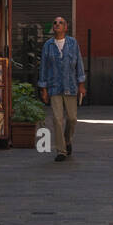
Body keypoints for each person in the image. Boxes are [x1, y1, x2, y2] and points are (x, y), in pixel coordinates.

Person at [38, 16, 86, 162]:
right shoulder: (48, 45)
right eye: (55, 23)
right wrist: (43, 88)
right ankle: (61, 150)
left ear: (66, 27)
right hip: (54, 87)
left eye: (61, 23)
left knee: (72, 119)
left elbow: (79, 64)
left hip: (70, 86)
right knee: (57, 119)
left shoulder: (73, 43)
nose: (57, 24)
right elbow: (43, 67)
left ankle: (67, 140)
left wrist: (81, 84)